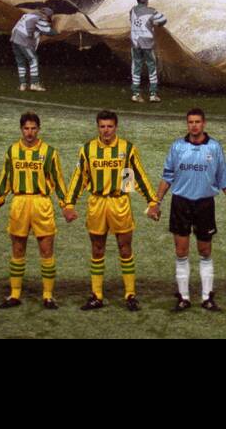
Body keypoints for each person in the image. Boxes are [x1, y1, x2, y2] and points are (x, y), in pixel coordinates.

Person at [65, 109, 159, 311]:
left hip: (119, 203)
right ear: (97, 127)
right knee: (97, 249)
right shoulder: (88, 149)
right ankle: (96, 295)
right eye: (102, 126)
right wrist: (69, 204)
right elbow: (79, 178)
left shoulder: (126, 149)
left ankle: (130, 294)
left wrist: (152, 201)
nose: (106, 130)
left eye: (109, 126)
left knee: (125, 248)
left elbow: (137, 177)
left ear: (116, 127)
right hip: (97, 203)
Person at [154, 108, 226, 312]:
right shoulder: (177, 147)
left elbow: (224, 178)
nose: (194, 125)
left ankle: (207, 296)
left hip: (205, 204)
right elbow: (167, 176)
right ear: (187, 124)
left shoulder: (215, 148)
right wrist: (157, 202)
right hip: (181, 203)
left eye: (197, 122)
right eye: (190, 122)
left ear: (204, 124)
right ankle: (184, 297)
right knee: (181, 251)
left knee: (205, 251)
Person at [0, 112, 75, 309]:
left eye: (33, 128)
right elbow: (5, 180)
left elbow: (58, 181)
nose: (29, 132)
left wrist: (66, 205)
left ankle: (47, 295)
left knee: (46, 250)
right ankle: (14, 294)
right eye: (26, 129)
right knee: (18, 249)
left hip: (41, 203)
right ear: (21, 129)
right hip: (19, 203)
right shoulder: (12, 151)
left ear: (39, 129)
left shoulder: (48, 152)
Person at [129, 0, 166, 103]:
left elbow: (131, 20)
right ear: (146, 1)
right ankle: (153, 94)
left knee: (136, 67)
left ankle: (135, 94)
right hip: (147, 44)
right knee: (152, 67)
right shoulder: (152, 11)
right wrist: (155, 24)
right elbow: (163, 20)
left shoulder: (132, 10)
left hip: (135, 43)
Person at [10, 7, 54, 92]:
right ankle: (34, 84)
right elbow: (48, 31)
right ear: (46, 16)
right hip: (23, 41)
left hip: (14, 39)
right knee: (33, 59)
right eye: (48, 18)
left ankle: (22, 85)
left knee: (21, 62)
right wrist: (61, 30)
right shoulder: (38, 19)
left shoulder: (27, 15)